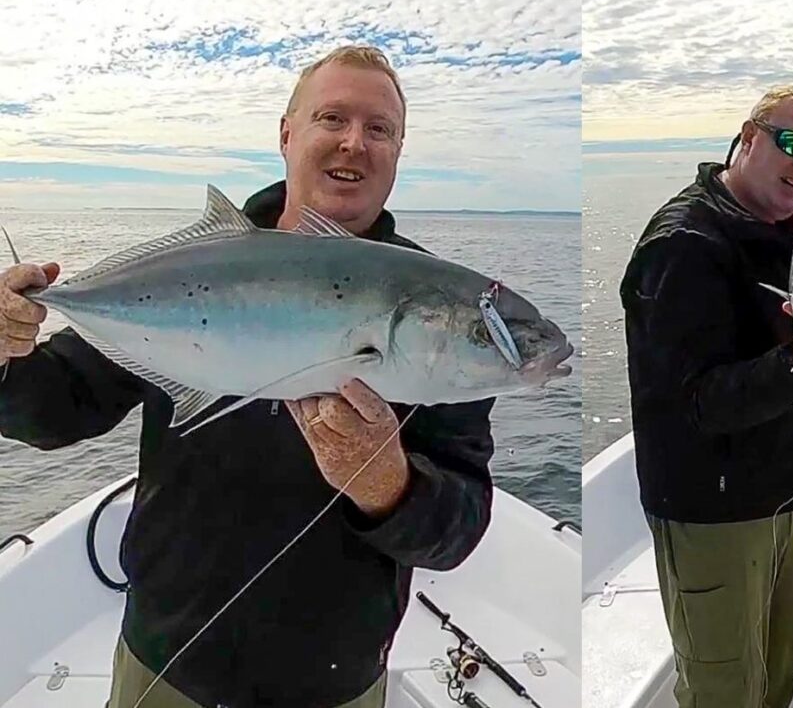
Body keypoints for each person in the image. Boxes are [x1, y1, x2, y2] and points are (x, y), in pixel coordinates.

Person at [0, 45, 497, 707]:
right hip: (165, 662)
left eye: (379, 128)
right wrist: (7, 350)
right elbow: (57, 409)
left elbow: (457, 530)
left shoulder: (445, 316)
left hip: (335, 679)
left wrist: (387, 484)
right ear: (286, 133)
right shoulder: (183, 270)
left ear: (399, 151)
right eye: (332, 117)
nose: (355, 141)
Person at [618, 85, 793, 708]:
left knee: (782, 665)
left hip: (785, 496)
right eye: (792, 143)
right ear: (748, 138)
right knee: (725, 687)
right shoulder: (684, 244)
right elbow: (696, 404)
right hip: (714, 514)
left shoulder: (790, 231)